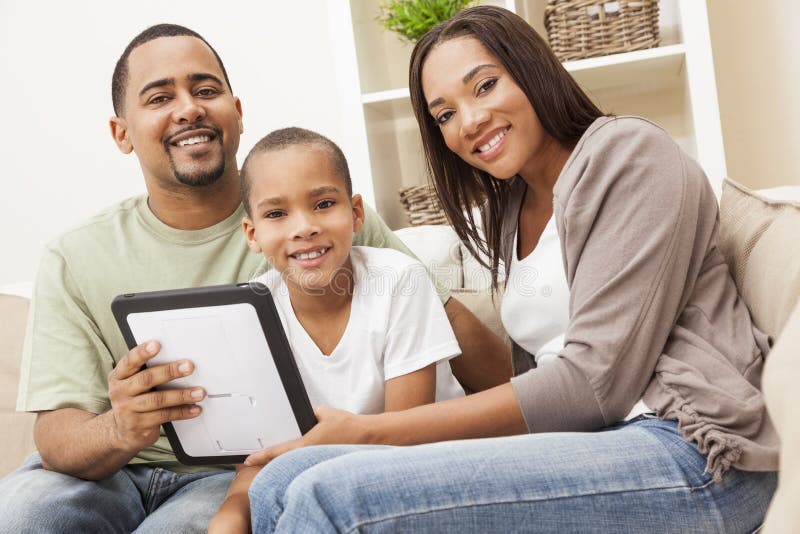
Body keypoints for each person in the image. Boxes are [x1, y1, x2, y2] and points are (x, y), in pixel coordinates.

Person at [244, 6, 779, 533]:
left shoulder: (629, 155)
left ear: (531, 70)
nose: (469, 122)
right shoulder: (513, 206)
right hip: (588, 445)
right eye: (445, 114)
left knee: (330, 496)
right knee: (280, 479)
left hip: (690, 452)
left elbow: (595, 385)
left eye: (484, 86)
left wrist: (372, 433)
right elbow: (533, 380)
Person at [0, 23, 508, 534]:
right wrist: (120, 424)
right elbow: (57, 439)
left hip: (226, 474)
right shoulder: (74, 256)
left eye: (205, 90)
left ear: (237, 113)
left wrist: (541, 402)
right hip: (107, 474)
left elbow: (448, 341)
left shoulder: (331, 234)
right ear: (121, 133)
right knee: (22, 515)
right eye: (159, 97)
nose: (189, 108)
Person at [208, 127, 465, 532]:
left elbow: (404, 440)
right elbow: (258, 461)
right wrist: (229, 516)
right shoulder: (251, 313)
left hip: (417, 469)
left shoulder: (399, 280)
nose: (303, 227)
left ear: (356, 212)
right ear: (252, 234)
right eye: (277, 213)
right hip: (318, 482)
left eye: (324, 203)